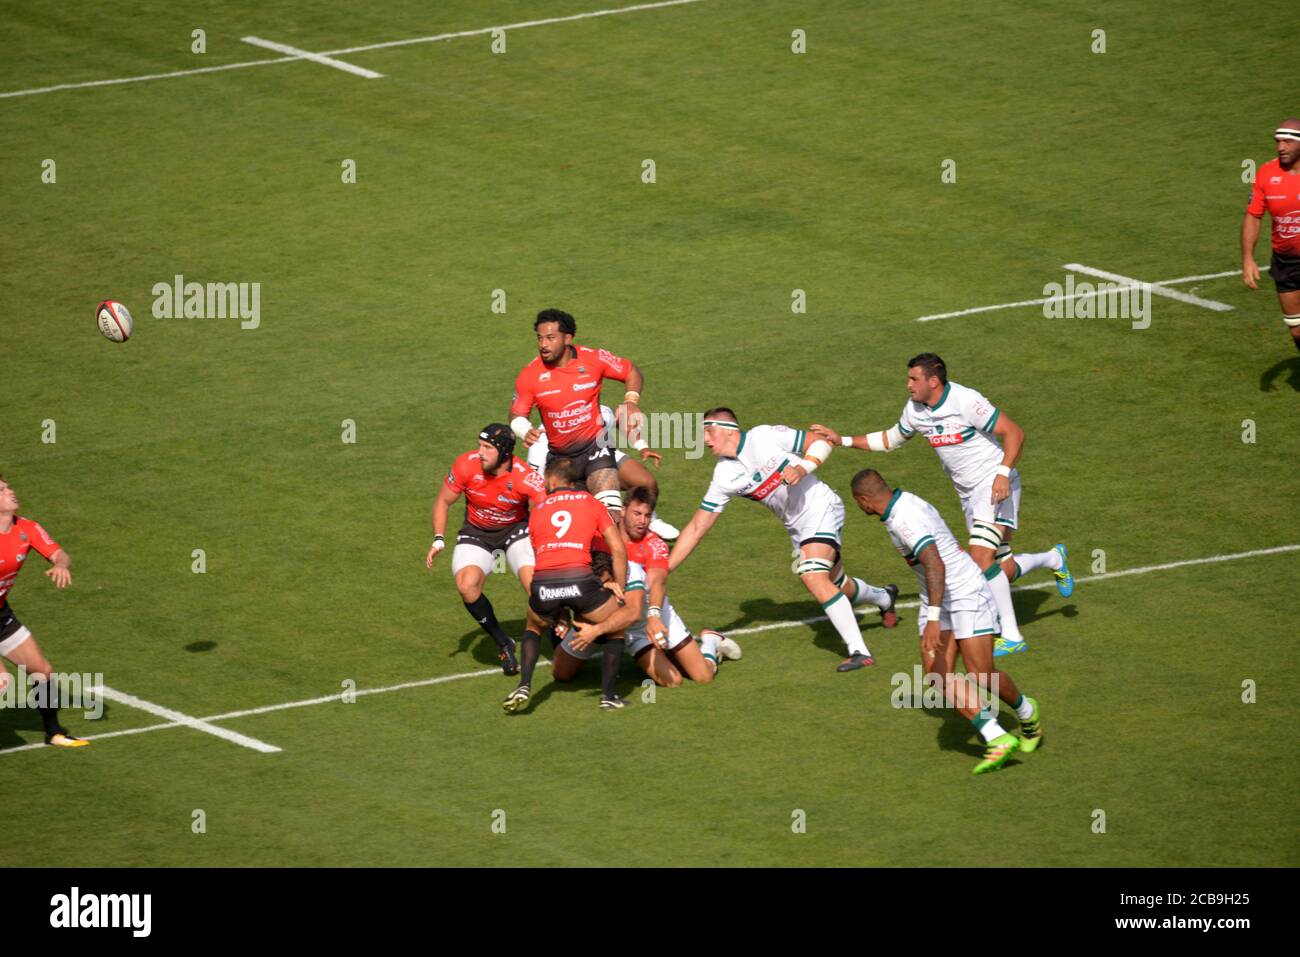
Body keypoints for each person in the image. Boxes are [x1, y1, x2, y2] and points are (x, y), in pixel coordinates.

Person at [812, 353, 1072, 656]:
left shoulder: (965, 401)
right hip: (968, 494)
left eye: (913, 379)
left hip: (994, 485)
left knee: (980, 561)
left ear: (933, 381)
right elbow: (891, 439)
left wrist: (1002, 474)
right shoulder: (916, 410)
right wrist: (841, 440)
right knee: (999, 566)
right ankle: (1054, 559)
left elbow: (1014, 432)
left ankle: (1011, 635)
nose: (908, 385)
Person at [667, 408, 898, 672]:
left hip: (820, 507)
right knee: (836, 584)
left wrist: (803, 467)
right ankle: (884, 598)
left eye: (709, 432)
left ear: (729, 429)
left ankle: (860, 652)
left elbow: (820, 441)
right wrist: (666, 569)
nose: (705, 440)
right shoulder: (723, 476)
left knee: (812, 575)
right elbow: (698, 525)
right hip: (797, 527)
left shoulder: (763, 437)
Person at [850, 469, 1043, 775]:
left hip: (965, 592)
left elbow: (934, 564)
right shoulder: (901, 504)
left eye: (857, 504)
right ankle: (998, 737)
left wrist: (933, 619)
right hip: (939, 595)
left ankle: (1027, 714)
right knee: (937, 675)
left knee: (982, 676)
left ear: (864, 500)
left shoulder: (904, 520)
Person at [563, 487, 741, 686]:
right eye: (637, 514)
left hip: (652, 613)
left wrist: (654, 615)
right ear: (623, 510)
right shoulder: (600, 538)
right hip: (619, 617)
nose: (642, 521)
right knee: (562, 674)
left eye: (647, 516)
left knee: (700, 676)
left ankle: (710, 641)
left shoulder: (655, 544)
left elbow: (658, 580)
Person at [505, 457, 629, 712]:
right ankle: (608, 695)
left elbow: (541, 551)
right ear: (574, 480)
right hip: (580, 581)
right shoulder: (591, 503)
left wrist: (559, 605)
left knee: (533, 627)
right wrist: (619, 584)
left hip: (544, 583)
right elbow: (617, 548)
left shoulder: (538, 508)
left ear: (551, 479)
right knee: (616, 626)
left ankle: (524, 683)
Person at [428, 424, 545, 674]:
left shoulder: (525, 476)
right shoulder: (465, 465)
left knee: (536, 587)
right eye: (480, 445)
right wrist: (438, 539)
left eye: (487, 448)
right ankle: (504, 642)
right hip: (477, 532)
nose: (479, 452)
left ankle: (560, 629)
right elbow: (443, 501)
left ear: (504, 453)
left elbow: (547, 509)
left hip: (516, 531)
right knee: (467, 585)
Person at [509, 309, 645, 524]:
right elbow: (516, 415)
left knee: (611, 518)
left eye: (550, 338)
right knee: (565, 525)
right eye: (540, 338)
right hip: (560, 460)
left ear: (567, 338)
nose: (543, 344)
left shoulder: (593, 358)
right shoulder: (530, 375)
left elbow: (631, 371)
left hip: (596, 451)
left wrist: (630, 401)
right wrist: (524, 430)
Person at [0, 476, 86, 748]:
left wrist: (62, 565)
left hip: (1, 616)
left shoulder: (27, 528)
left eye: (7, 486)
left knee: (41, 671)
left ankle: (54, 732)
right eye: (2, 490)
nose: (11, 491)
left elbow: (60, 554)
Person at [526, 404, 680, 539]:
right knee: (599, 521)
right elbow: (535, 489)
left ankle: (649, 518)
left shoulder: (596, 413)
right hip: (570, 476)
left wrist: (641, 446)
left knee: (646, 482)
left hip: (602, 456)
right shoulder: (540, 442)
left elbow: (621, 418)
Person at [1242, 119, 1300, 351]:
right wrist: (1248, 258)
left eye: (1288, 141)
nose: (1281, 147)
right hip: (1286, 262)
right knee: (1296, 329)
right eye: (1278, 142)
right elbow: (1253, 216)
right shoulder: (1267, 173)